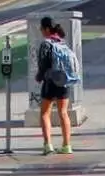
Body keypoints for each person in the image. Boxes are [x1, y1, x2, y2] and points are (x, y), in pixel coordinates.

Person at [35, 17, 77, 156]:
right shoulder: (62, 43)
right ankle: (67, 145)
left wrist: (39, 77)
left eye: (41, 28)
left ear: (47, 29)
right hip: (64, 81)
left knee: (45, 113)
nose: (41, 31)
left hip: (50, 82)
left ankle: (48, 145)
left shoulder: (46, 44)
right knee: (63, 113)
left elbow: (43, 65)